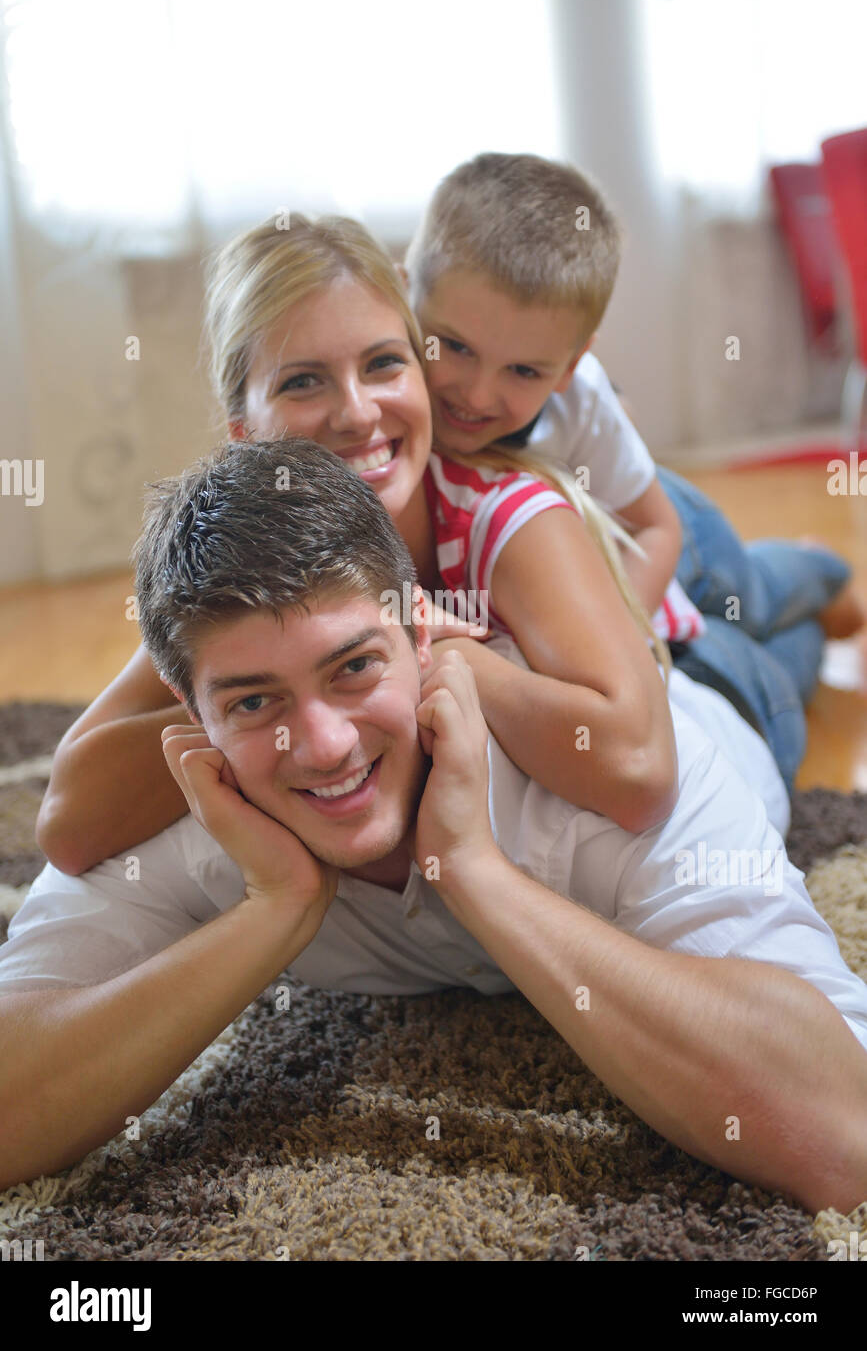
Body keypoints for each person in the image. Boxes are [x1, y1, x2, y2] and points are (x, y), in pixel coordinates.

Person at [2, 437, 866, 1214]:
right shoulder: (191, 809)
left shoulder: (593, 777)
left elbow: (843, 1130)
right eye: (254, 699)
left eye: (354, 666)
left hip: (730, 699)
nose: (325, 745)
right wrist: (273, 908)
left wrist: (479, 874)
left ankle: (804, 567)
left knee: (766, 619)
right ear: (186, 718)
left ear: (428, 633)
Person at [36, 213, 684, 878]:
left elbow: (639, 775)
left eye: (381, 364)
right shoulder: (244, 565)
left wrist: (436, 650)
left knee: (757, 602)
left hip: (676, 594)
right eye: (302, 381)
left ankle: (798, 570)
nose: (356, 413)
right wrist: (250, 708)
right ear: (244, 434)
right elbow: (67, 826)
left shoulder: (503, 516)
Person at [404, 151, 866, 792]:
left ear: (569, 367)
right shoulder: (385, 388)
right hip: (588, 542)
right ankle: (811, 622)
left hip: (659, 532)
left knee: (750, 593)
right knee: (749, 653)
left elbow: (659, 528)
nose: (477, 395)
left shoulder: (584, 400)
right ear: (408, 299)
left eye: (524, 371)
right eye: (454, 346)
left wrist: (618, 639)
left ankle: (818, 567)